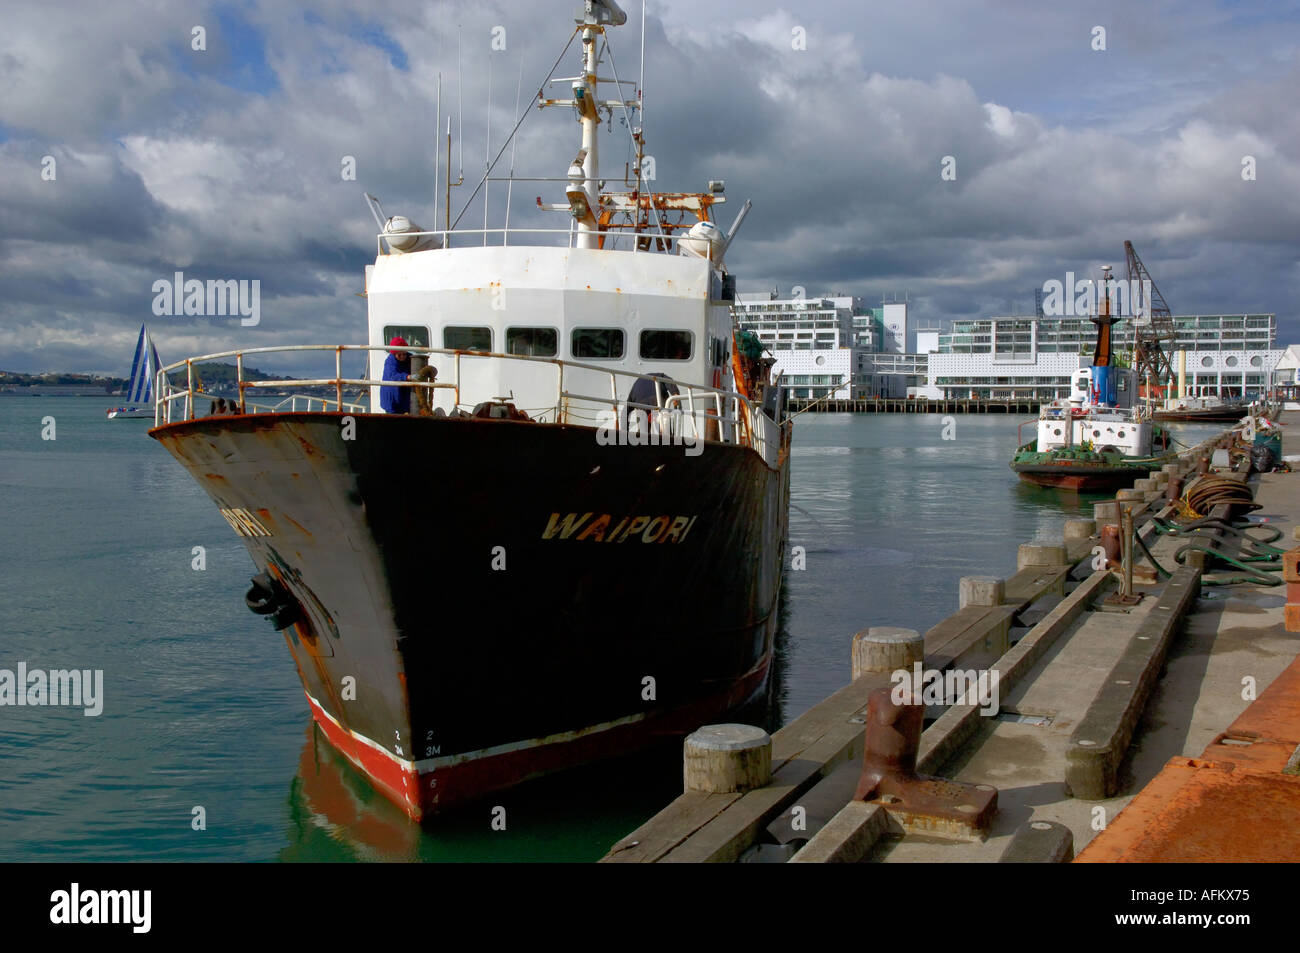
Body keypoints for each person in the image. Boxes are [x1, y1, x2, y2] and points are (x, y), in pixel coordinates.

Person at [380, 336, 412, 414]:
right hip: (391, 397)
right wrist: (407, 377)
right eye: (399, 355)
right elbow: (392, 375)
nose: (402, 357)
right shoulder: (390, 361)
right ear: (394, 354)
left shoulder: (409, 358)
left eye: (404, 354)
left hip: (404, 395)